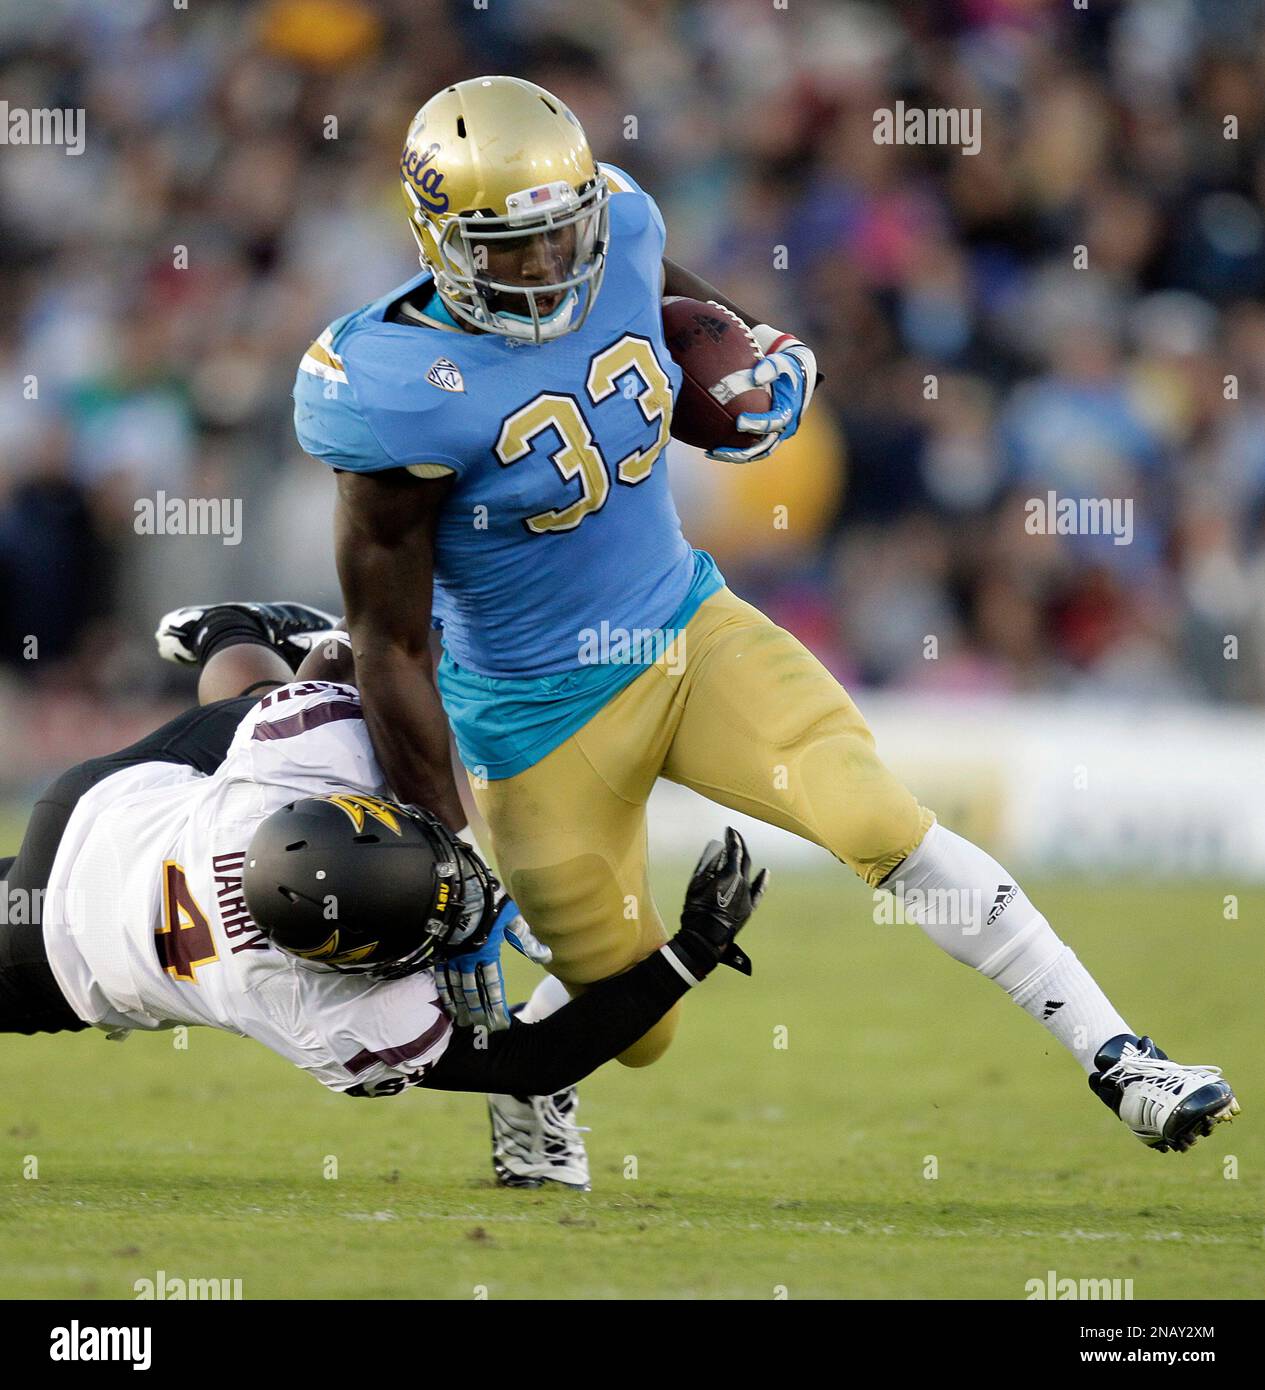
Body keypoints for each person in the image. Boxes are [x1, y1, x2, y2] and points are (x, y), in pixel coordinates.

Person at [292, 76, 1239, 1183]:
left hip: (687, 634)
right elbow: (391, 646)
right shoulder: (392, 387)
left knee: (874, 815)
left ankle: (1119, 1058)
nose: (552, 267)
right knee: (634, 1022)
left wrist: (758, 361)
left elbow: (698, 319)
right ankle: (535, 1083)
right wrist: (447, 839)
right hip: (533, 712)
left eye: (565, 235)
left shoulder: (623, 226)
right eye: (515, 249)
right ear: (442, 239)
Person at [0, 601, 768, 1191]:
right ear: (353, 964)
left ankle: (231, 626)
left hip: (114, 806)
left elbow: (357, 654)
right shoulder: (315, 1010)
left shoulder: (287, 774)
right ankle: (237, 632)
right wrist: (690, 950)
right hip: (60, 950)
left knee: (280, 705)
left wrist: (365, 640)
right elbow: (531, 1058)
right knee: (276, 706)